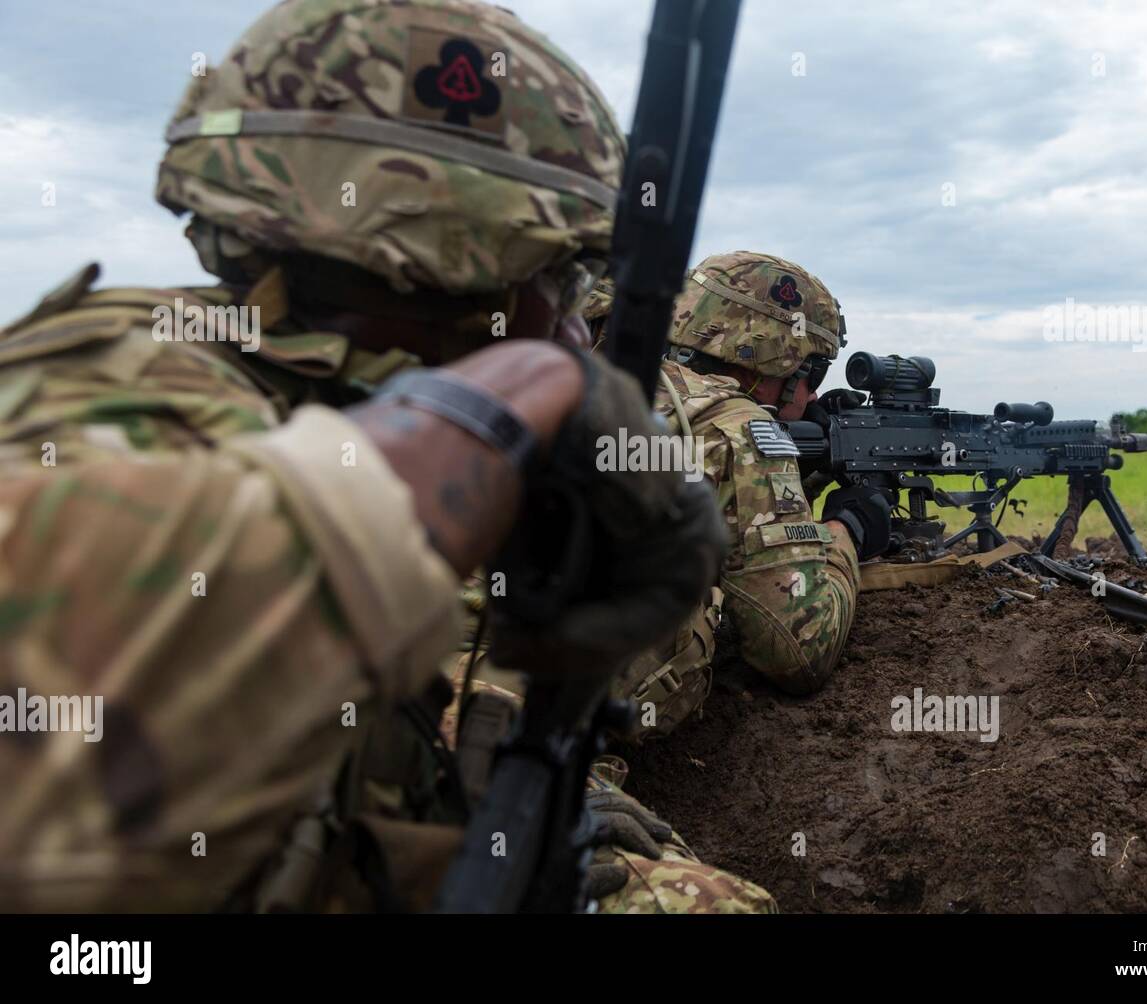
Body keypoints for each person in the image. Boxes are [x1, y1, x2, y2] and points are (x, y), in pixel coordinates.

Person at [0, 0, 765, 913]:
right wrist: (516, 396)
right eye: (559, 279)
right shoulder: (116, 382)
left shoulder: (290, 396)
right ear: (447, 259)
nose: (571, 326)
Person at [598, 251, 891, 737]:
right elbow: (797, 650)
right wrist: (847, 531)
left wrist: (803, 474)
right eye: (813, 372)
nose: (813, 395)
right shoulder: (736, 428)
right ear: (776, 358)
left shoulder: (598, 369)